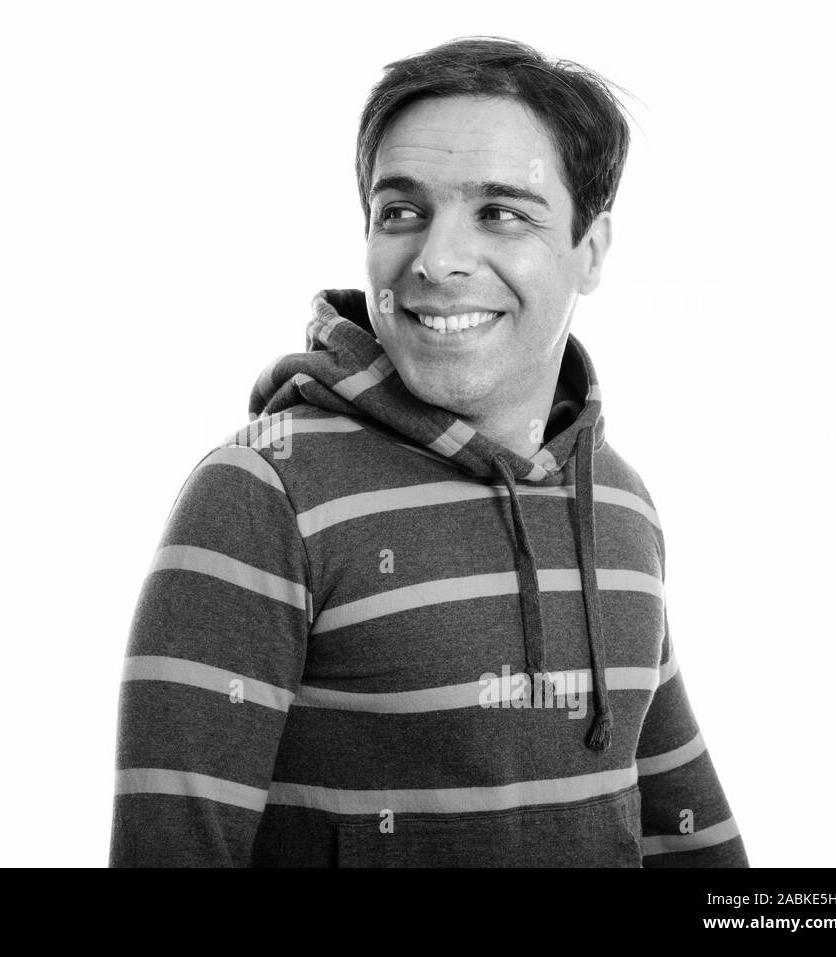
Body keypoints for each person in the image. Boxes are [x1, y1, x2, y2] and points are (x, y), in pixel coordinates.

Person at [109, 36, 748, 867]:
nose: (436, 260)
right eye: (402, 211)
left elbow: (685, 830)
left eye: (502, 212)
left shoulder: (619, 502)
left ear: (591, 252)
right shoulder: (263, 496)